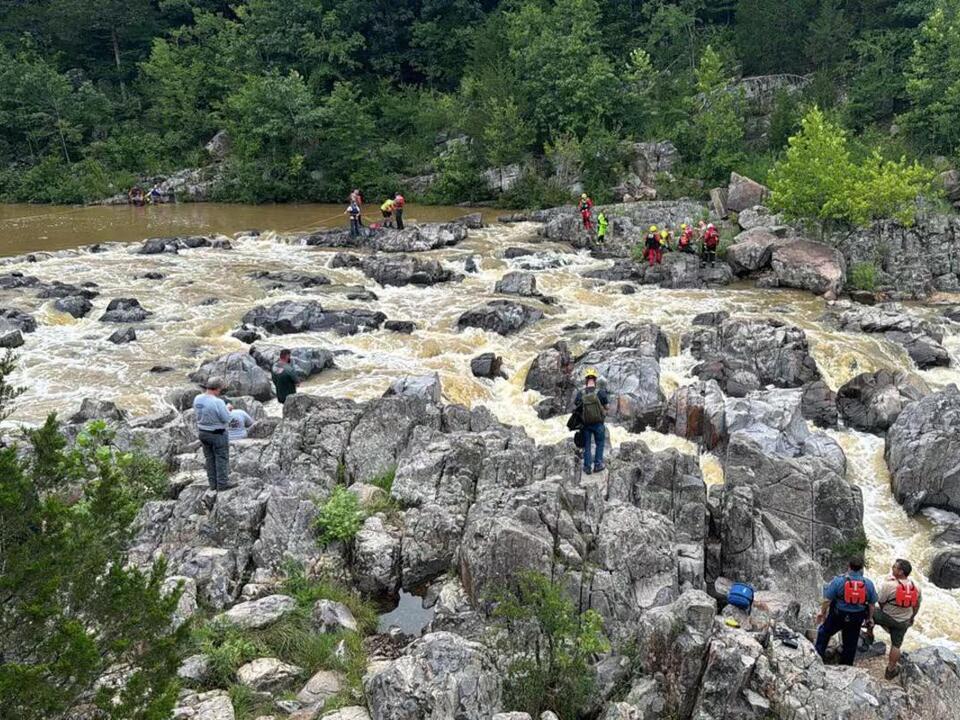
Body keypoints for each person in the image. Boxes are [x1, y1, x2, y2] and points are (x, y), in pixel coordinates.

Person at [815, 556, 878, 666]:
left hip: (838, 615)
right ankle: (846, 665)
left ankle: (818, 657)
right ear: (861, 568)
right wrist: (869, 618)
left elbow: (827, 600)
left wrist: (822, 613)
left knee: (824, 633)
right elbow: (872, 604)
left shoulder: (839, 581)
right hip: (856, 617)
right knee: (851, 643)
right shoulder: (868, 584)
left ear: (849, 567)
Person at [866, 558, 922, 679]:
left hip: (887, 617)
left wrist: (885, 611)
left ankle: (869, 634)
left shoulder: (888, 585)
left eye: (894, 567)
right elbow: (916, 605)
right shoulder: (915, 586)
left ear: (901, 572)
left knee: (868, 610)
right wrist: (911, 617)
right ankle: (890, 670)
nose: (892, 568)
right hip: (903, 621)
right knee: (896, 645)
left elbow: (879, 602)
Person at [193, 377, 235, 491]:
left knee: (209, 459)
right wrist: (228, 409)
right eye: (221, 389)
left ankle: (212, 484)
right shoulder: (218, 402)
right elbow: (226, 419)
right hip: (217, 434)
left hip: (202, 433)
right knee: (221, 458)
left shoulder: (197, 398)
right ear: (217, 389)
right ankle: (222, 485)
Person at [574, 368, 609, 475]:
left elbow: (577, 405)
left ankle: (587, 467)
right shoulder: (601, 392)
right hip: (598, 423)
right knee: (600, 443)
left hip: (585, 425)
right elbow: (607, 407)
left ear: (586, 380)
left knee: (587, 446)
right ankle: (598, 465)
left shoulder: (581, 393)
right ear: (595, 379)